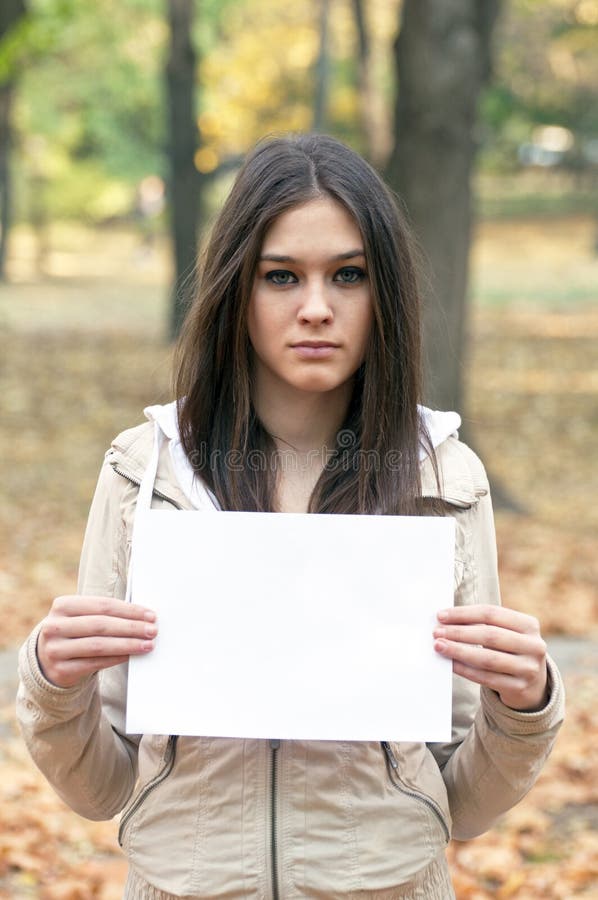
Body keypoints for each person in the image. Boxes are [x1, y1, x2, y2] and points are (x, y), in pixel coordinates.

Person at [17, 133, 564, 900]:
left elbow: (464, 802)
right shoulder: (145, 470)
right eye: (281, 276)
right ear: (236, 291)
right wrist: (52, 680)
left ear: (386, 294)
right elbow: (99, 789)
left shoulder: (444, 475)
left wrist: (527, 703)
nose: (316, 308)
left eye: (349, 274)